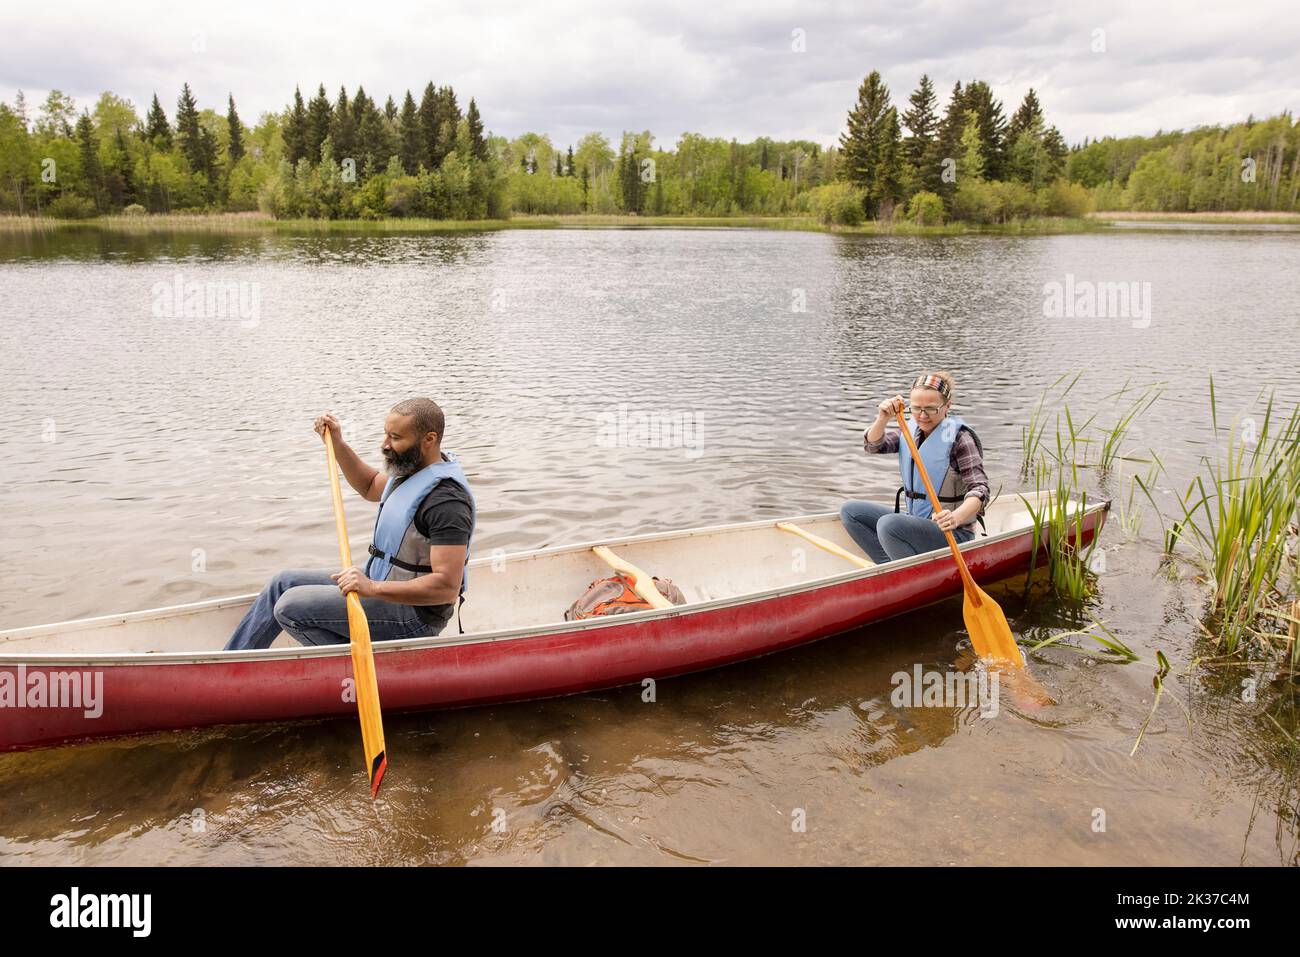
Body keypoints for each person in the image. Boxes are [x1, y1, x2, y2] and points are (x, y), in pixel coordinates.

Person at [223, 397, 475, 651]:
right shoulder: (412, 470)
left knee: (290, 607)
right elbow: (368, 486)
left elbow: (446, 587)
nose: (384, 445)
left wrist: (372, 587)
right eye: (386, 434)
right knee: (283, 583)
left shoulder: (447, 503)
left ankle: (364, 668)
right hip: (381, 584)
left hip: (415, 616)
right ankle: (228, 665)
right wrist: (337, 444)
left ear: (429, 439)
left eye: (396, 438)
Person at [840, 371, 989, 563]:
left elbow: (980, 490)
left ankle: (904, 571)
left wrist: (956, 517)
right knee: (851, 511)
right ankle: (892, 567)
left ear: (947, 406)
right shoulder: (911, 431)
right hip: (918, 522)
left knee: (888, 524)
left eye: (931, 409)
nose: (923, 416)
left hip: (952, 533)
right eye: (916, 408)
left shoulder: (960, 439)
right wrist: (883, 418)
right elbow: (874, 445)